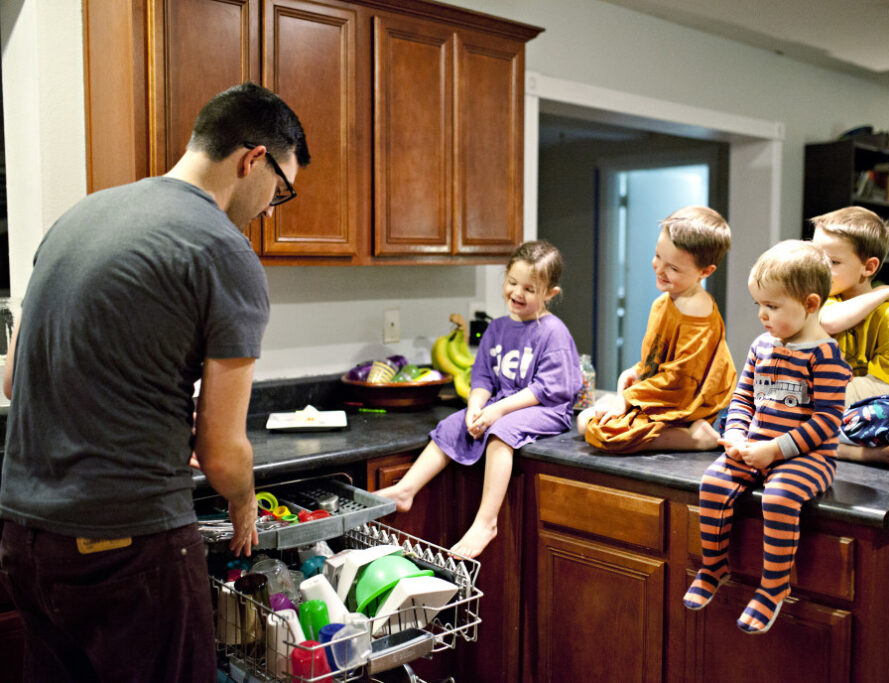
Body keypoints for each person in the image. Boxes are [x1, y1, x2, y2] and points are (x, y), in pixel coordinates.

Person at [0, 82, 309, 681]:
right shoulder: (223, 249)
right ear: (253, 159)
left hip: (25, 541)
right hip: (128, 546)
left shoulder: (80, 215)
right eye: (282, 187)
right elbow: (220, 452)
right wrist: (244, 502)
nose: (273, 205)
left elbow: (17, 378)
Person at [683, 240, 851, 635]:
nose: (762, 315)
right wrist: (736, 435)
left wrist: (776, 450)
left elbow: (828, 421)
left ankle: (774, 587)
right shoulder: (762, 346)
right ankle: (714, 567)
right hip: (756, 448)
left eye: (772, 307)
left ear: (810, 304)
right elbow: (743, 397)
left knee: (778, 498)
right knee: (713, 483)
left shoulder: (826, 358)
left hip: (807, 459)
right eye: (760, 304)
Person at [378, 240, 581, 559]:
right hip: (503, 402)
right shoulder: (497, 329)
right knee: (450, 425)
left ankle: (486, 523)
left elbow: (548, 388)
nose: (517, 293)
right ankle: (406, 490)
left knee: (501, 433)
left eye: (529, 288)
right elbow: (483, 377)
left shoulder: (552, 332)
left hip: (545, 409)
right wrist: (475, 408)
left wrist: (496, 410)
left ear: (550, 294)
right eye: (512, 282)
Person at [577, 206, 736, 453]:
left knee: (601, 432)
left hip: (695, 405)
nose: (659, 268)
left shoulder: (696, 311)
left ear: (705, 272)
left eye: (673, 268)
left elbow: (681, 383)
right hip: (667, 396)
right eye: (658, 256)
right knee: (585, 421)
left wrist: (628, 399)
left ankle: (696, 439)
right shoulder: (663, 302)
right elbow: (656, 360)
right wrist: (636, 374)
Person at [810, 207, 889, 467]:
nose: (820, 268)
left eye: (833, 262)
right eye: (816, 257)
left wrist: (882, 295)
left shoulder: (887, 315)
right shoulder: (826, 299)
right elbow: (828, 319)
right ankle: (844, 449)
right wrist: (884, 292)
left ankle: (817, 440)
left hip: (871, 391)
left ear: (869, 267)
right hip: (828, 403)